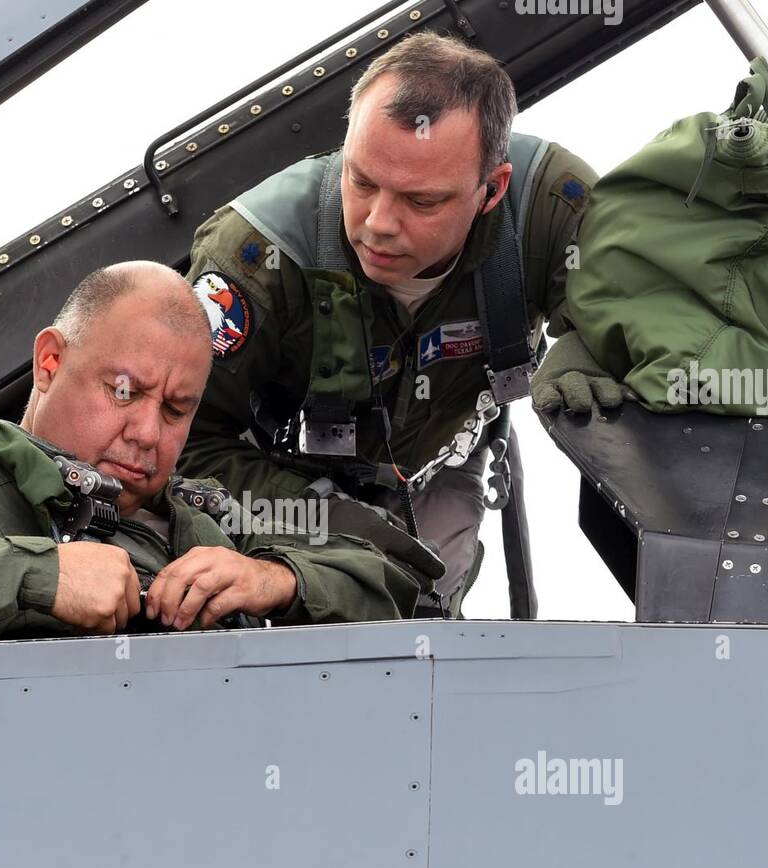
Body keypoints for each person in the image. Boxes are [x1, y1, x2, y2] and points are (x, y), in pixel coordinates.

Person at [0, 262, 426, 651]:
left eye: (175, 409)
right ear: (50, 362)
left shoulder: (200, 517)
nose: (146, 432)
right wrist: (35, 577)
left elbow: (396, 582)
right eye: (123, 391)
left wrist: (275, 581)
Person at [179, 30, 599, 616]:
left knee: (426, 615)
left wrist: (586, 363)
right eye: (362, 180)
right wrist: (322, 518)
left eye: (420, 201)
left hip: (446, 460)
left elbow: (642, 333)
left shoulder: (551, 209)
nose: (378, 223)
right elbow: (181, 445)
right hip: (276, 478)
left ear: (491, 190)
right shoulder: (258, 258)